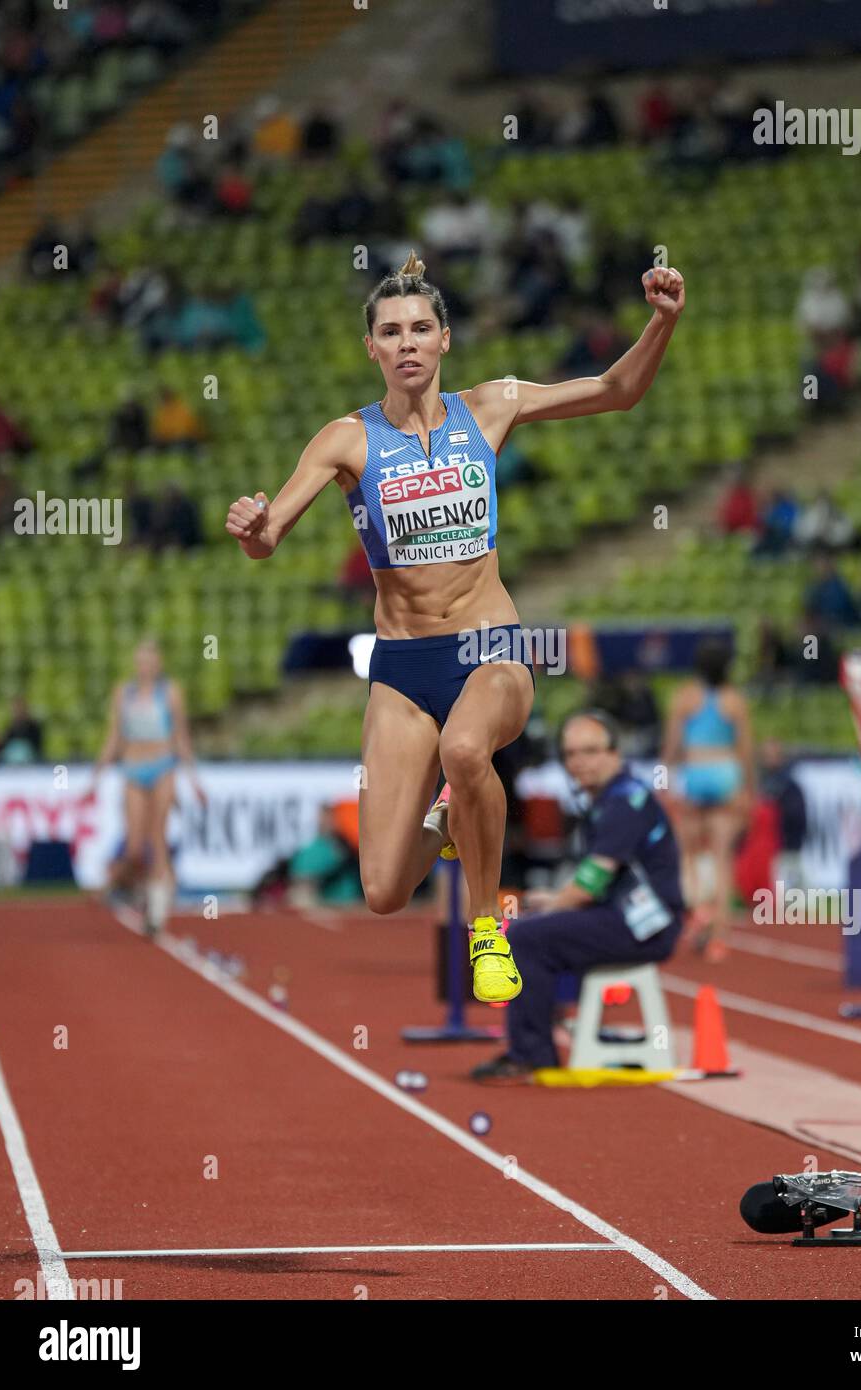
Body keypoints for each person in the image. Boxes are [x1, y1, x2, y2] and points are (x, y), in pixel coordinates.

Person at [226, 249, 685, 1002]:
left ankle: (484, 928)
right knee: (381, 888)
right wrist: (250, 526)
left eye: (419, 328)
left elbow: (617, 389)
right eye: (390, 332)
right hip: (403, 668)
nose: (406, 342)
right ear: (370, 348)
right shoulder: (346, 439)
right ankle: (448, 816)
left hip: (489, 648)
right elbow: (269, 535)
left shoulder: (492, 406)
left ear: (445, 340)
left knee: (467, 746)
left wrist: (660, 324)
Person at [471, 711, 684, 1083]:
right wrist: (555, 901)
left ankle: (532, 1055)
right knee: (538, 930)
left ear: (615, 754)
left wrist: (555, 903)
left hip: (644, 925)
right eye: (570, 754)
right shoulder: (609, 799)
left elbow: (591, 880)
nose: (579, 762)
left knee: (524, 937)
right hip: (627, 917)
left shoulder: (624, 801)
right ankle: (557, 1027)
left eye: (590, 751)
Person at [91, 639, 207, 937]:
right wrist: (96, 777)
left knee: (158, 839)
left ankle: (156, 912)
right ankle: (136, 887)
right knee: (133, 846)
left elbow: (181, 737)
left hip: (163, 766)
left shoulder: (170, 693)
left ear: (159, 664)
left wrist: (194, 781)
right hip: (133, 767)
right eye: (141, 661)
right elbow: (114, 737)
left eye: (151, 660)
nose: (146, 666)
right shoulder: (124, 693)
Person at [660, 638, 755, 962]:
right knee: (721, 858)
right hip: (725, 771)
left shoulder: (685, 697)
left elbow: (671, 748)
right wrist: (747, 791)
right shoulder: (734, 700)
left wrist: (663, 784)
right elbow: (745, 750)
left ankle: (698, 909)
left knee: (687, 854)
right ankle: (719, 938)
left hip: (696, 769)